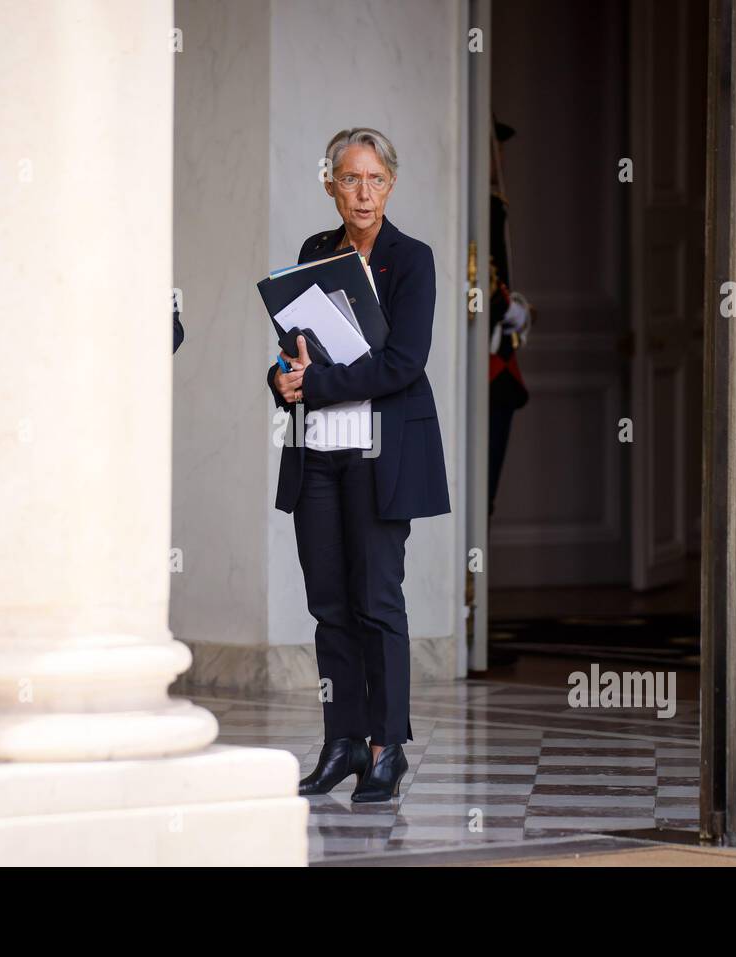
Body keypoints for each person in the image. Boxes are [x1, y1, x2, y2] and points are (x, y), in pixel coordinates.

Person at [266, 128, 450, 802]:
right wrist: (283, 377)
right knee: (329, 605)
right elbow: (298, 347)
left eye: (375, 179)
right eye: (350, 179)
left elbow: (403, 363)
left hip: (382, 453)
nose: (363, 192)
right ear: (330, 184)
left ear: (391, 184)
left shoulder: (414, 259)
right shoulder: (316, 253)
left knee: (377, 602)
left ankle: (384, 746)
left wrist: (312, 382)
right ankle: (341, 741)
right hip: (317, 450)